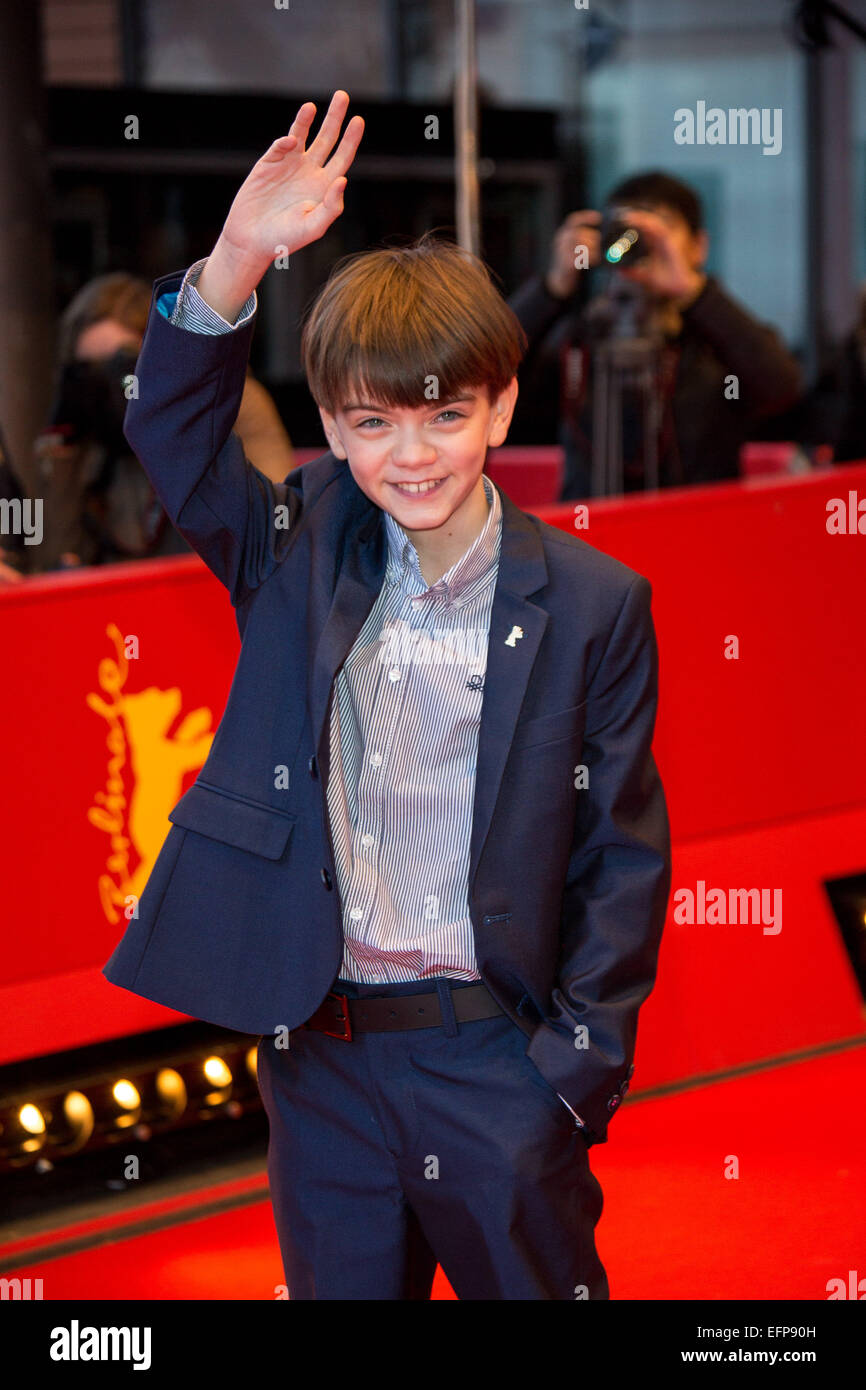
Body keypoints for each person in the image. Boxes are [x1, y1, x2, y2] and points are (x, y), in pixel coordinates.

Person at [102, 91, 671, 1300]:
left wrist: (570, 1072)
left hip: (492, 1061)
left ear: (501, 408)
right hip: (322, 1059)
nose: (408, 456)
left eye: (443, 417)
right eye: (372, 424)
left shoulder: (593, 602)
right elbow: (173, 436)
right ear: (331, 426)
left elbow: (618, 858)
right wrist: (240, 255)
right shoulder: (301, 541)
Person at [509, 170, 804, 500]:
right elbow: (486, 377)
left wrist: (693, 292)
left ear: (698, 247)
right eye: (624, 232)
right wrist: (552, 289)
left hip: (700, 534)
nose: (635, 244)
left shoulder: (715, 342)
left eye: (658, 230)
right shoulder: (579, 343)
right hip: (590, 541)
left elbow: (781, 389)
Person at [32, 270, 296, 571]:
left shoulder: (230, 401)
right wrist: (61, 443)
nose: (106, 385)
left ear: (158, 351)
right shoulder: (89, 438)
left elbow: (273, 532)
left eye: (121, 366)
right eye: (90, 370)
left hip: (207, 596)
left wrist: (172, 425)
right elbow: (56, 560)